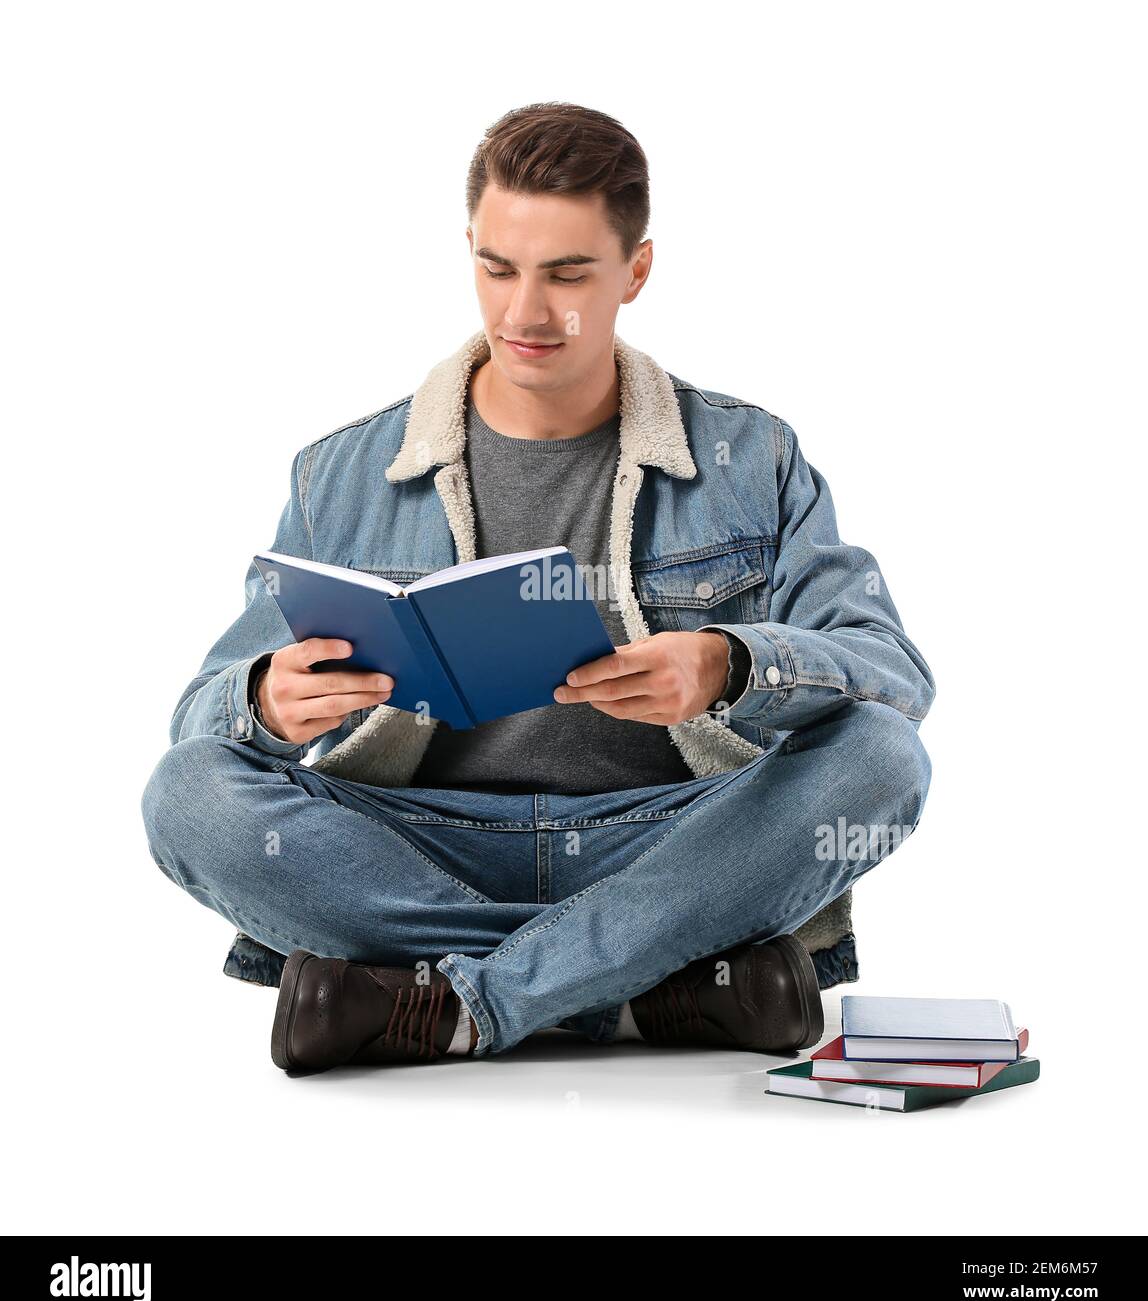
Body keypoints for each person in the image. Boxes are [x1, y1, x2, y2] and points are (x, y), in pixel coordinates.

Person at [141, 102, 935, 1075]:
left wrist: (732, 664)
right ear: (468, 250)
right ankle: (647, 983)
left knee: (880, 757)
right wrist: (264, 699)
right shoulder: (341, 470)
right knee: (186, 795)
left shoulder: (751, 456)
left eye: (566, 273)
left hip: (670, 836)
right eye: (497, 268)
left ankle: (459, 1001)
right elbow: (198, 721)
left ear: (635, 269)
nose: (524, 311)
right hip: (419, 851)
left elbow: (892, 675)